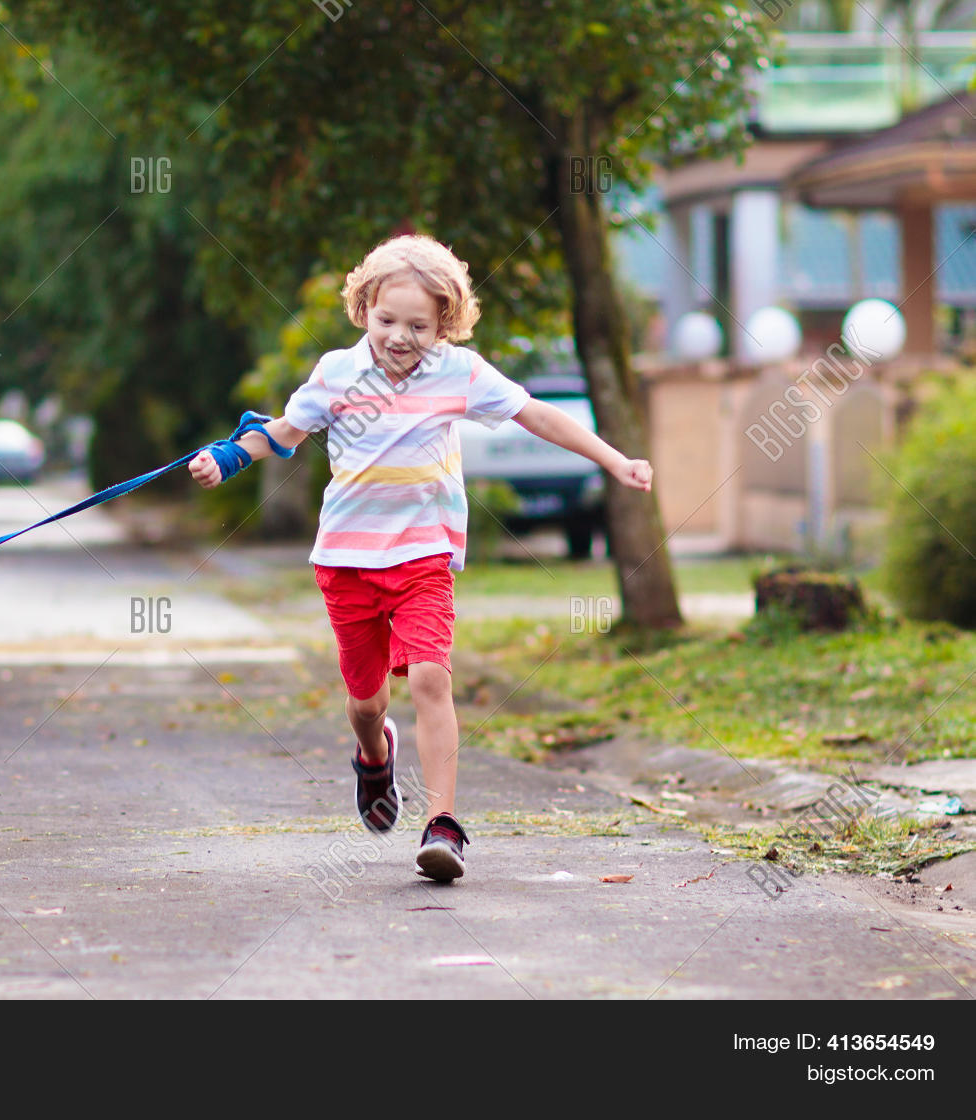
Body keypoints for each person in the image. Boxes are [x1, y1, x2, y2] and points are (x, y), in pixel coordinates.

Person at [190, 234, 652, 881]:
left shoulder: (458, 373)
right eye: (386, 321)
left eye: (417, 325)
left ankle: (444, 826)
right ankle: (374, 759)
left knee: (433, 678)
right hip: (348, 562)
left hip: (423, 557)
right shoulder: (336, 373)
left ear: (445, 323)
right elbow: (283, 433)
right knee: (366, 704)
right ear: (364, 309)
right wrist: (229, 456)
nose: (399, 337)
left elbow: (535, 414)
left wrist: (613, 460)